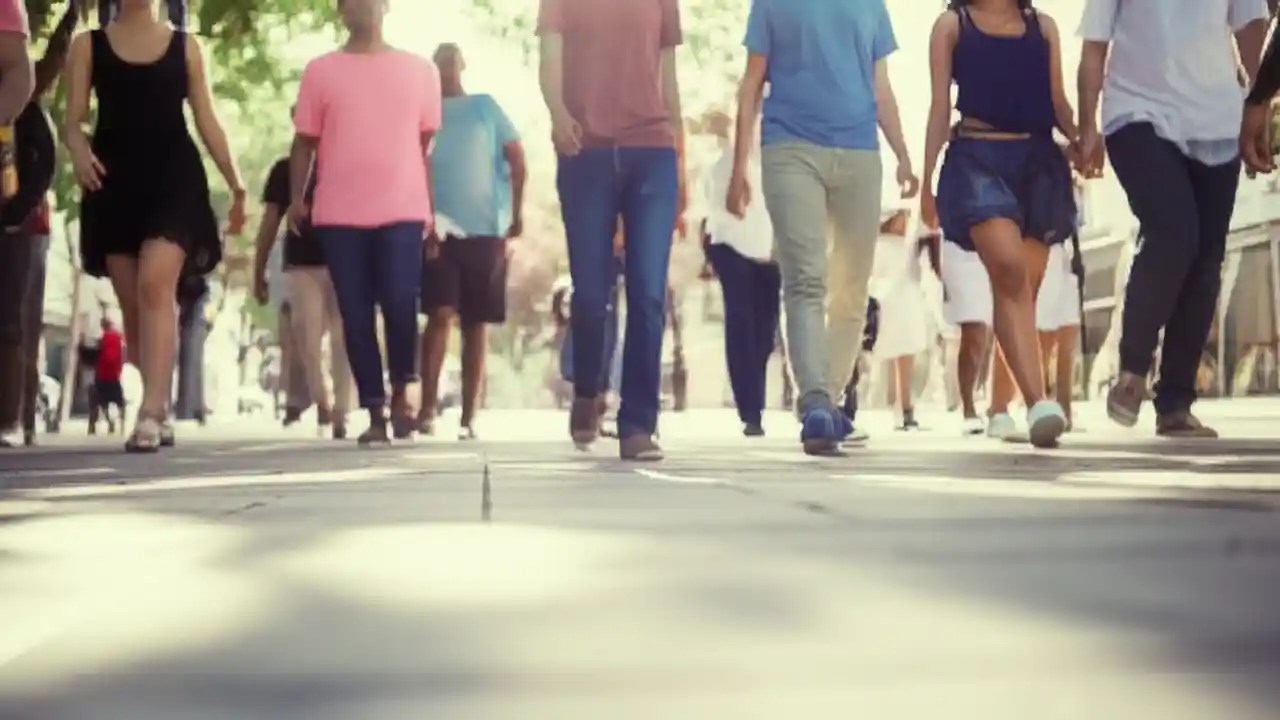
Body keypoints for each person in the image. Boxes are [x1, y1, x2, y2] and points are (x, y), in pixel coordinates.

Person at [730, 0, 917, 455]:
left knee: (852, 287)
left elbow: (881, 87)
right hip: (790, 148)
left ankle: (829, 403)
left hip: (859, 152)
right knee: (805, 276)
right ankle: (814, 400)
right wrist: (739, 167)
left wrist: (904, 154)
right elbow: (753, 81)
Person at [1079, 0, 1268, 438]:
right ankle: (1131, 371)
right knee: (1173, 232)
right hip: (1136, 111)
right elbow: (1094, 47)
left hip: (1216, 116)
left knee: (1205, 261)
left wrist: (1258, 104)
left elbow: (1251, 29)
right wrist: (1088, 125)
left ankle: (1176, 402)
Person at [64, 0, 246, 452]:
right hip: (114, 184)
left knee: (154, 286)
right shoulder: (87, 45)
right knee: (133, 305)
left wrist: (237, 185)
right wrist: (78, 151)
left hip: (174, 181)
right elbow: (72, 122)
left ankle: (151, 413)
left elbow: (207, 119)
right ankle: (157, 401)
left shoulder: (186, 46)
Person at [921, 0, 1077, 449]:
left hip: (1039, 164)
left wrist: (1085, 137)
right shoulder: (951, 26)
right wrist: (927, 185)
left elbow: (1058, 102)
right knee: (1008, 271)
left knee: (1022, 289)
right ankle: (1038, 403)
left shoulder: (1043, 27)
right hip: (977, 159)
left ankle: (999, 406)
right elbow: (937, 109)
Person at [537, 0, 686, 461]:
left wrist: (679, 159)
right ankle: (587, 390)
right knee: (590, 290)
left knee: (648, 292)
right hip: (587, 150)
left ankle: (638, 423)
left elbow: (668, 75)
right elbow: (549, 61)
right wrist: (559, 116)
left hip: (652, 151)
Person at [290, 0, 441, 447]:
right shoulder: (321, 70)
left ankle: (402, 392)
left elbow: (422, 145)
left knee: (399, 300)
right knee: (355, 314)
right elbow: (303, 142)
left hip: (402, 209)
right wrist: (298, 198)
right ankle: (374, 411)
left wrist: (430, 211)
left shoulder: (420, 71)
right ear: (340, 9)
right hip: (339, 212)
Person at [418, 43, 525, 441]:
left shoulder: (485, 107)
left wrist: (517, 213)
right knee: (439, 314)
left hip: (486, 229)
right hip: (439, 231)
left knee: (476, 323)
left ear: (463, 64)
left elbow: (517, 158)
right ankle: (427, 409)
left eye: (452, 60)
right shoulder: (425, 113)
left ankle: (468, 415)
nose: (446, 67)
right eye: (440, 62)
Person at [0, 2, 72, 448]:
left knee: (12, 317)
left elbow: (42, 166)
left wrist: (14, 216)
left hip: (20, 224)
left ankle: (13, 417)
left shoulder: (27, 116)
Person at [254, 137, 353, 440]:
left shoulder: (348, 164)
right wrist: (258, 269)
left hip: (346, 260)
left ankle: (342, 412)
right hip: (301, 264)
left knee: (344, 336)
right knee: (307, 335)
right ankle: (323, 400)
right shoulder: (284, 171)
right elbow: (270, 222)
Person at [703, 112, 778, 437]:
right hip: (731, 248)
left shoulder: (781, 162)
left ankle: (755, 402)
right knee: (742, 323)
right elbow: (719, 210)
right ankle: (750, 410)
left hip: (768, 253)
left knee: (765, 332)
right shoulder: (726, 164)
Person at [869, 209, 929, 431]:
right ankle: (844, 400)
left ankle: (905, 406)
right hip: (877, 247)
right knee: (866, 328)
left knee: (906, 334)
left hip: (903, 251)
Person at [1036, 237, 1081, 429]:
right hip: (1045, 242)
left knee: (1069, 329)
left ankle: (1065, 407)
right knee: (1045, 334)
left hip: (1069, 251)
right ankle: (1040, 404)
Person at [94, 318, 127, 435]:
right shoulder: (119, 337)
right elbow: (122, 355)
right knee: (120, 402)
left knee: (103, 402)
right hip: (114, 374)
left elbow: (97, 354)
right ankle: (123, 425)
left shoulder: (102, 338)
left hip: (102, 374)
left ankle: (110, 422)